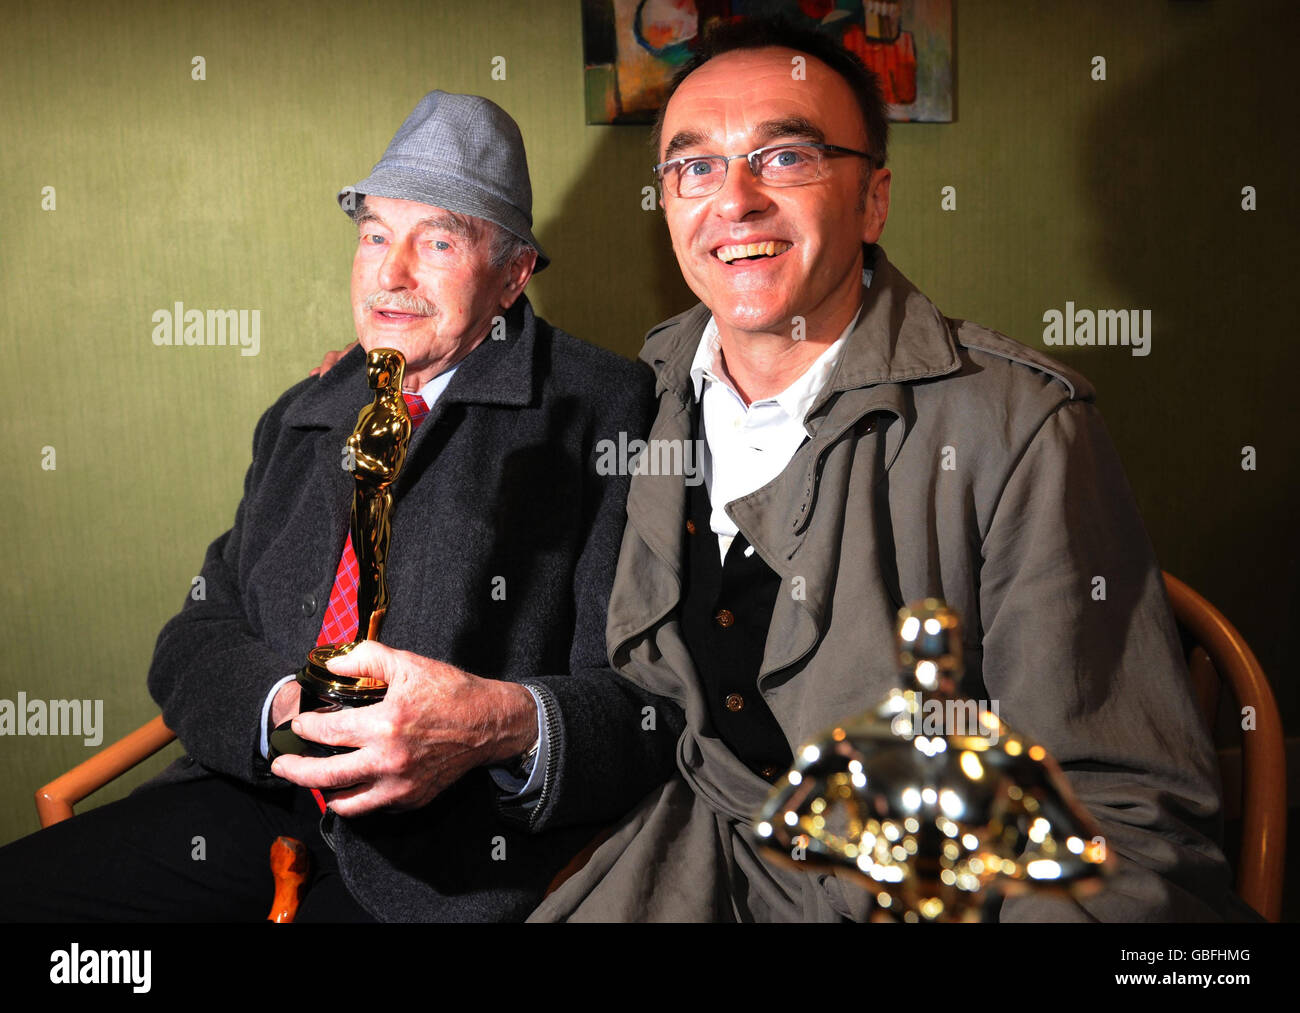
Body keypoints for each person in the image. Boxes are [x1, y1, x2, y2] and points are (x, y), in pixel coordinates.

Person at [528, 20, 1248, 922]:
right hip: (698, 852)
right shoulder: (656, 380)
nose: (735, 201)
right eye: (696, 166)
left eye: (784, 157)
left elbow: (1121, 821)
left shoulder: (1023, 426)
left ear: (873, 200)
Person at [0, 90, 681, 922]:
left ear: (512, 275)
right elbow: (194, 636)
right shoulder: (307, 409)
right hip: (253, 798)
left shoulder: (608, 407)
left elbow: (651, 701)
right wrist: (283, 705)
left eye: (436, 240)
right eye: (373, 236)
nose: (391, 275)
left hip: (449, 859)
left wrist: (492, 724)